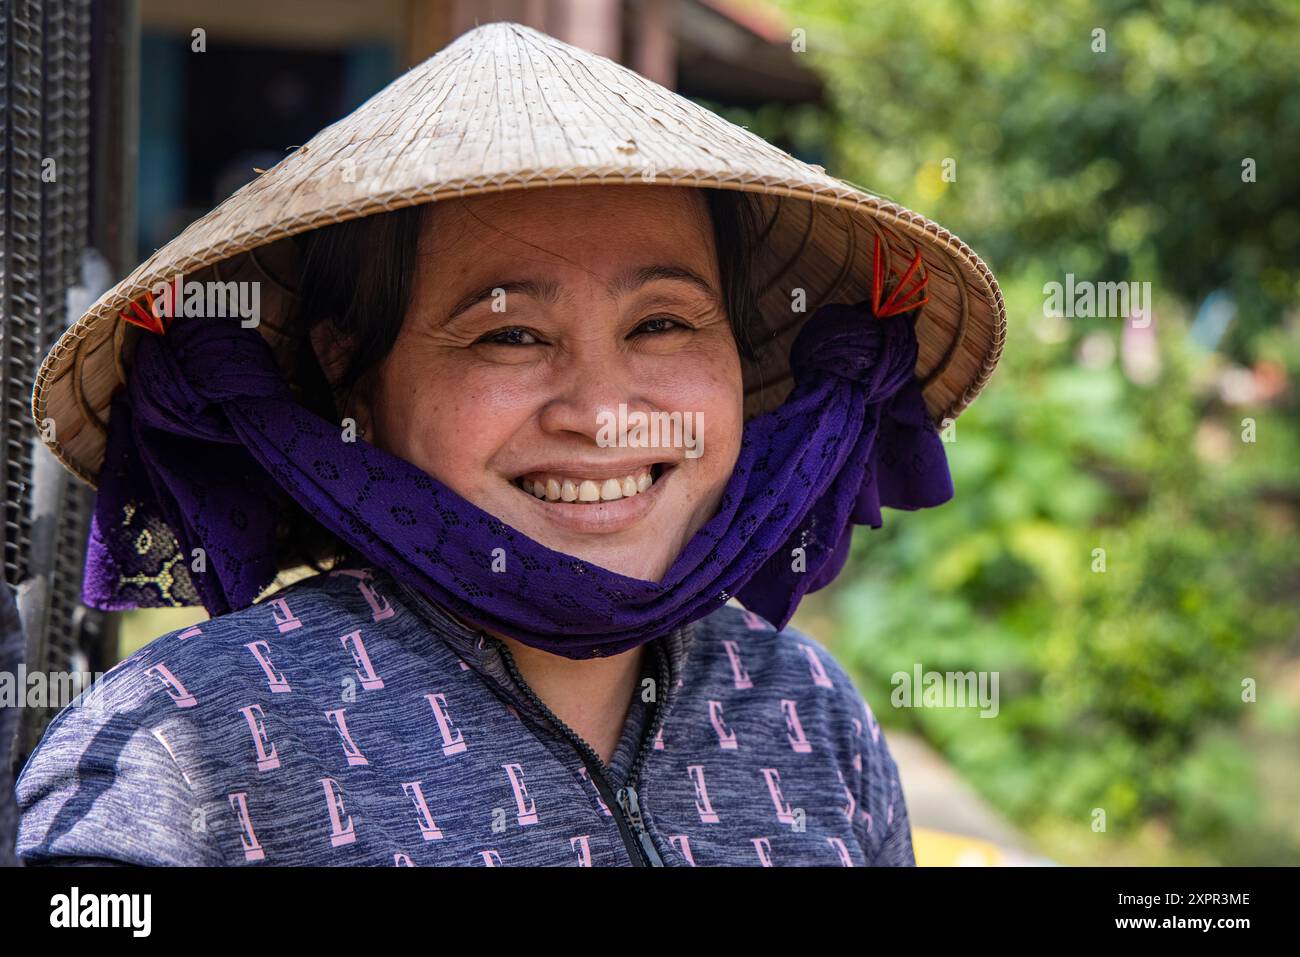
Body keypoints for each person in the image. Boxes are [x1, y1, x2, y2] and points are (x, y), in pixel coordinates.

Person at [15, 22, 1004, 866]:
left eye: (661, 323)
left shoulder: (808, 713)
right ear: (355, 374)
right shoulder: (185, 748)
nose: (603, 409)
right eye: (509, 335)